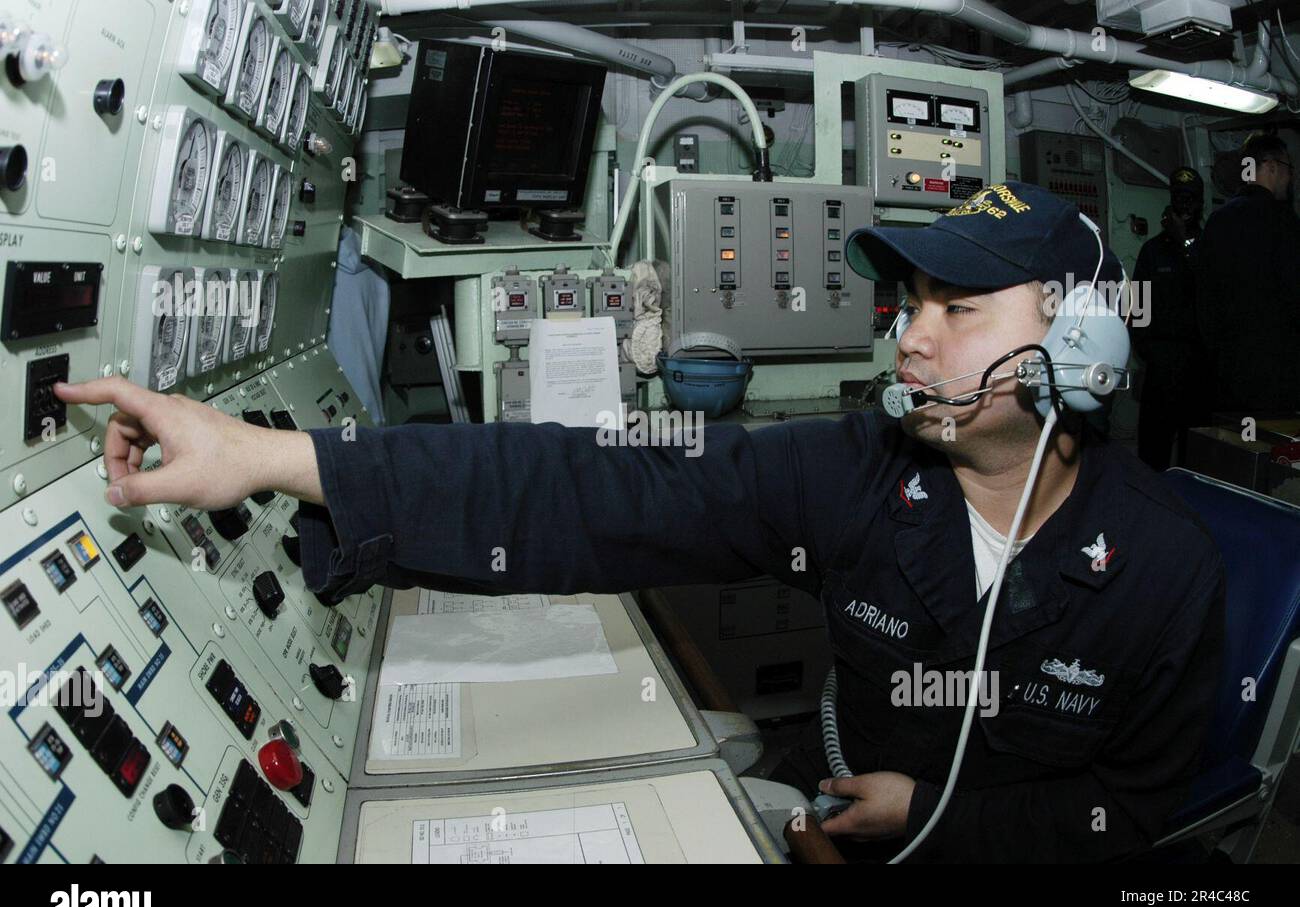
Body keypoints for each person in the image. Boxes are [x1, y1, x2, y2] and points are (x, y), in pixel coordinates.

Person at [54, 181, 1225, 863]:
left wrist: (929, 811)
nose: (910, 340)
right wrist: (268, 454)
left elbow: (1125, 813)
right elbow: (593, 484)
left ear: (1080, 347)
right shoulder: (856, 473)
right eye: (908, 305)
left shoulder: (1165, 565)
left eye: (957, 309)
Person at [1195, 133, 1300, 417]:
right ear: (1271, 167)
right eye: (1289, 170)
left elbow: (1203, 298)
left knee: (1233, 450)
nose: (1290, 179)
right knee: (1271, 453)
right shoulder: (1284, 222)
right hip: (1276, 377)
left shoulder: (1218, 221)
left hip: (1226, 377)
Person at [1131, 166, 1209, 470]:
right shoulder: (1153, 252)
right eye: (1180, 197)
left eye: (1191, 198)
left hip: (1199, 371)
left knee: (1198, 457)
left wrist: (1185, 245)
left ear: (1200, 203)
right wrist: (1151, 353)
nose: (1185, 204)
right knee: (1153, 455)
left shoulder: (1209, 249)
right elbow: (1138, 308)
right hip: (1162, 369)